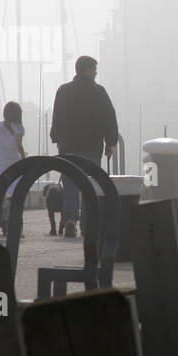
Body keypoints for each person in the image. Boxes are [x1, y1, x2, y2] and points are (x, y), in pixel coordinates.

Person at [49, 55, 118, 238]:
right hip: (91, 146)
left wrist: (55, 137)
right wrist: (110, 142)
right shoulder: (99, 92)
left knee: (70, 183)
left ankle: (70, 219)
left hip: (68, 146)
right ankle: (87, 225)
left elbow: (57, 116)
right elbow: (109, 117)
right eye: (94, 68)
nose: (96, 72)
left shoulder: (63, 91)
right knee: (89, 185)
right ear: (87, 70)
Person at [0, 101, 26, 231]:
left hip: (0, 163)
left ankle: (3, 218)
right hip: (14, 163)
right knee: (14, 194)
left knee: (2, 191)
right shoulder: (18, 128)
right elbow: (19, 146)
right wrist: (24, 159)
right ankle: (15, 223)